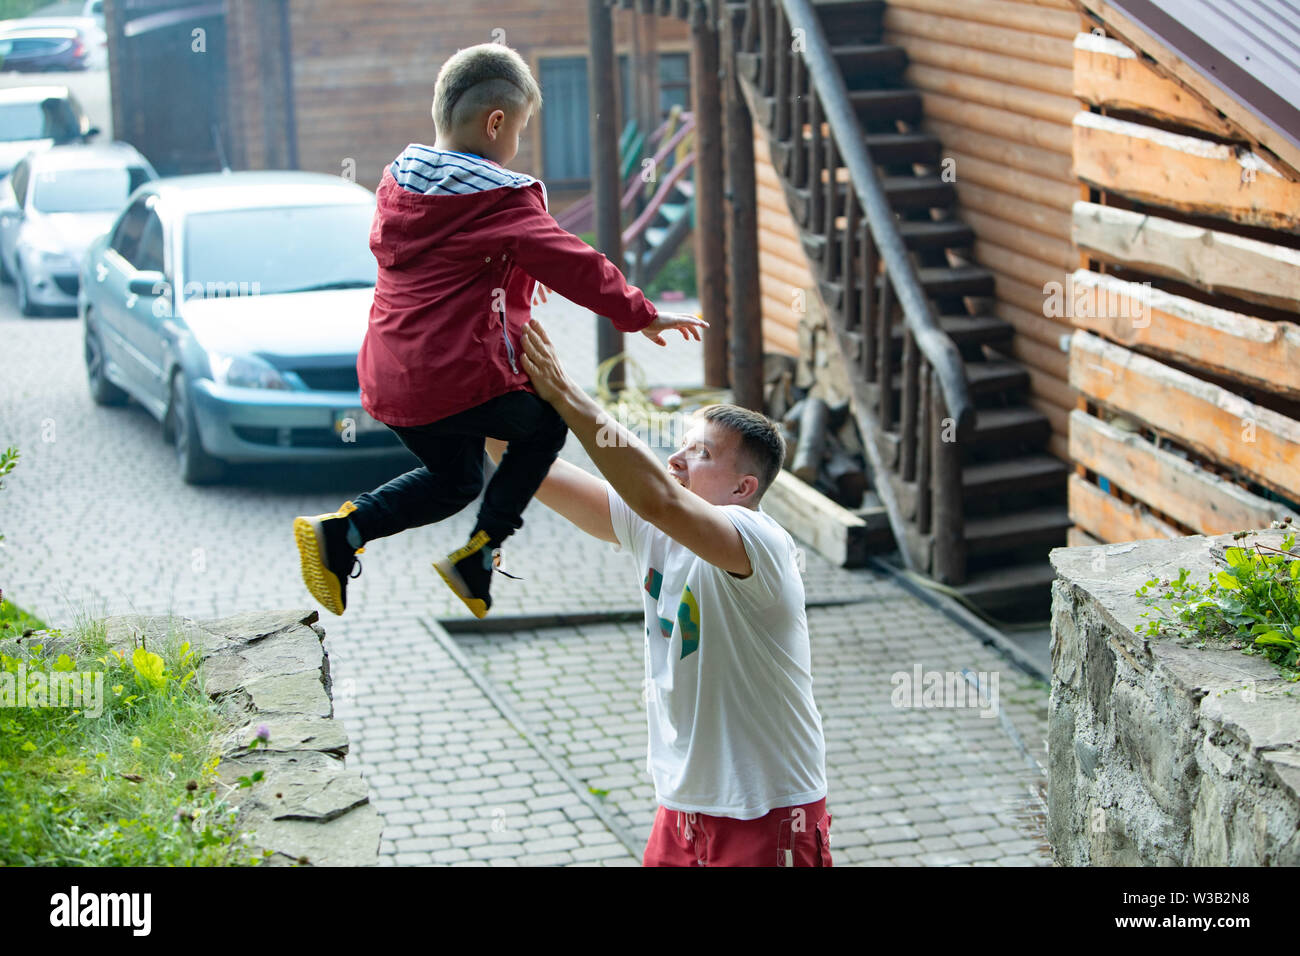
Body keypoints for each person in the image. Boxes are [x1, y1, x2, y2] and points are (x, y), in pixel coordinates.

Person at [293, 42, 704, 619]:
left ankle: (342, 532)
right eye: (521, 129)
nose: (518, 143)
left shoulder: (398, 186)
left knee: (456, 481)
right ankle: (479, 556)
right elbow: (575, 263)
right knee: (547, 424)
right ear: (495, 123)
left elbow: (457, 262)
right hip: (453, 378)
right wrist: (641, 314)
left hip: (389, 381)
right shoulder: (501, 200)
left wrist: (516, 273)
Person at [491, 318, 832, 867]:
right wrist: (477, 376)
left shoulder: (760, 539)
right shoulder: (654, 526)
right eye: (680, 446)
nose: (675, 460)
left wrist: (565, 392)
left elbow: (657, 498)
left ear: (743, 487)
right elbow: (527, 468)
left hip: (769, 808)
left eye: (700, 454)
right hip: (682, 805)